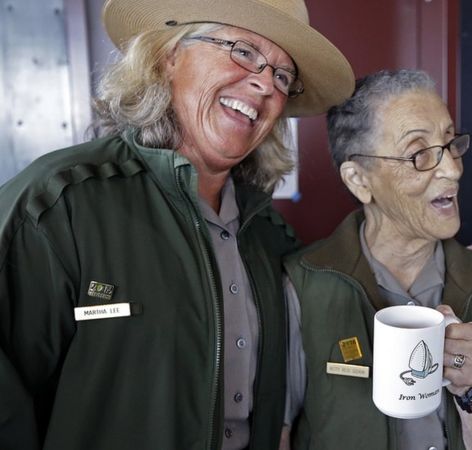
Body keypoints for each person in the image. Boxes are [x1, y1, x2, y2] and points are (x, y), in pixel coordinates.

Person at [0, 0, 354, 448]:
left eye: (283, 76)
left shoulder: (271, 237)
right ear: (168, 56)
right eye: (243, 51)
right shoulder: (58, 206)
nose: (266, 83)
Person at [280, 69, 472, 450]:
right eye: (419, 153)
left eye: (450, 143)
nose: (453, 168)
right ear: (359, 180)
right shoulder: (303, 285)